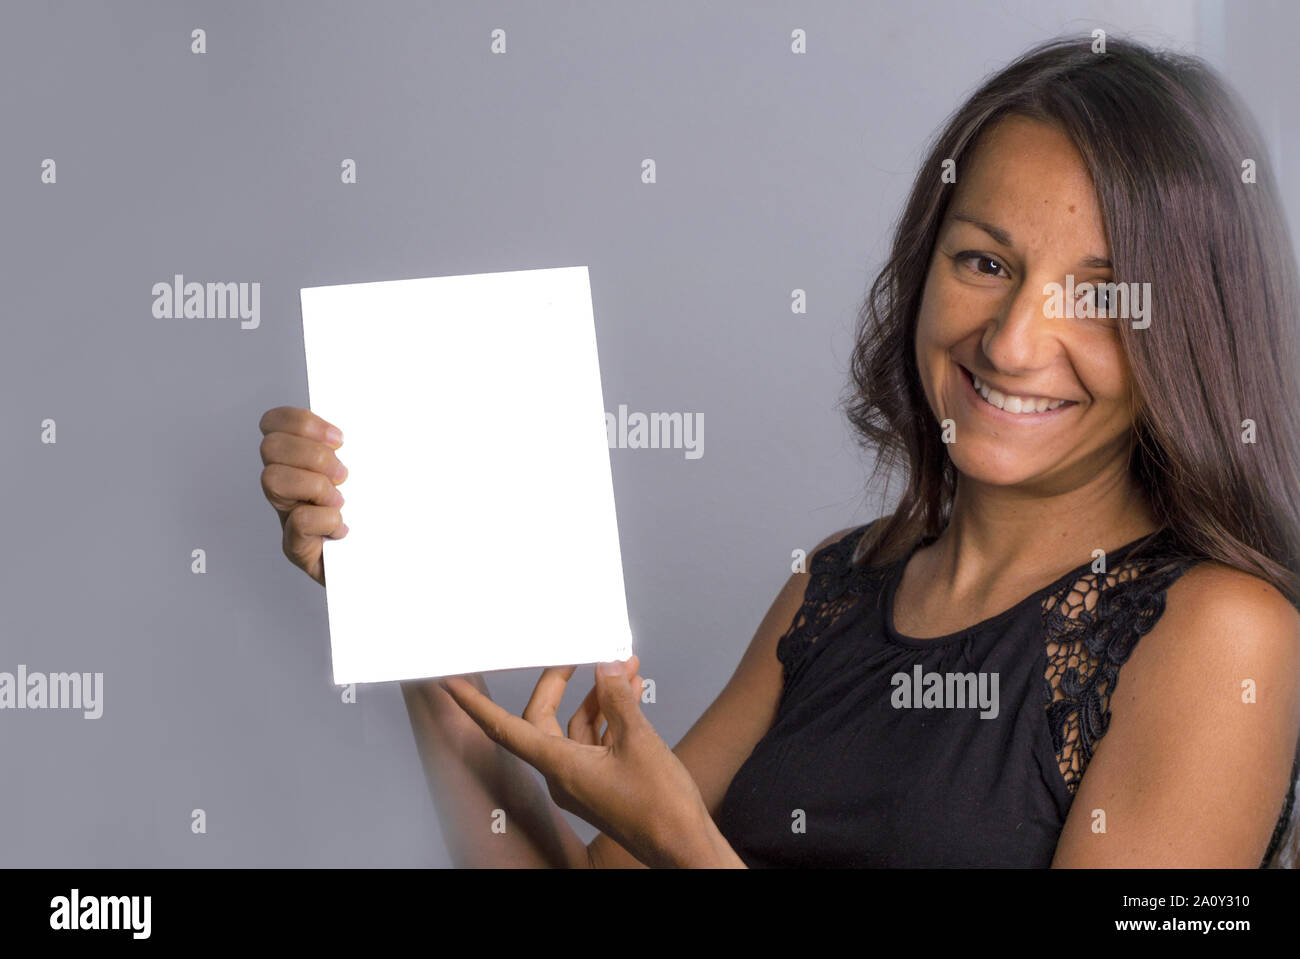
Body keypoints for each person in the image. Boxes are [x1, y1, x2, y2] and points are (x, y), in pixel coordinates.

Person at [258, 35, 1300, 867]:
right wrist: (406, 611)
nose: (1013, 339)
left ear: (1194, 324)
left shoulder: (1225, 633)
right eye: (984, 260)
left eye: (1095, 294)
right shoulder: (836, 584)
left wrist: (682, 844)